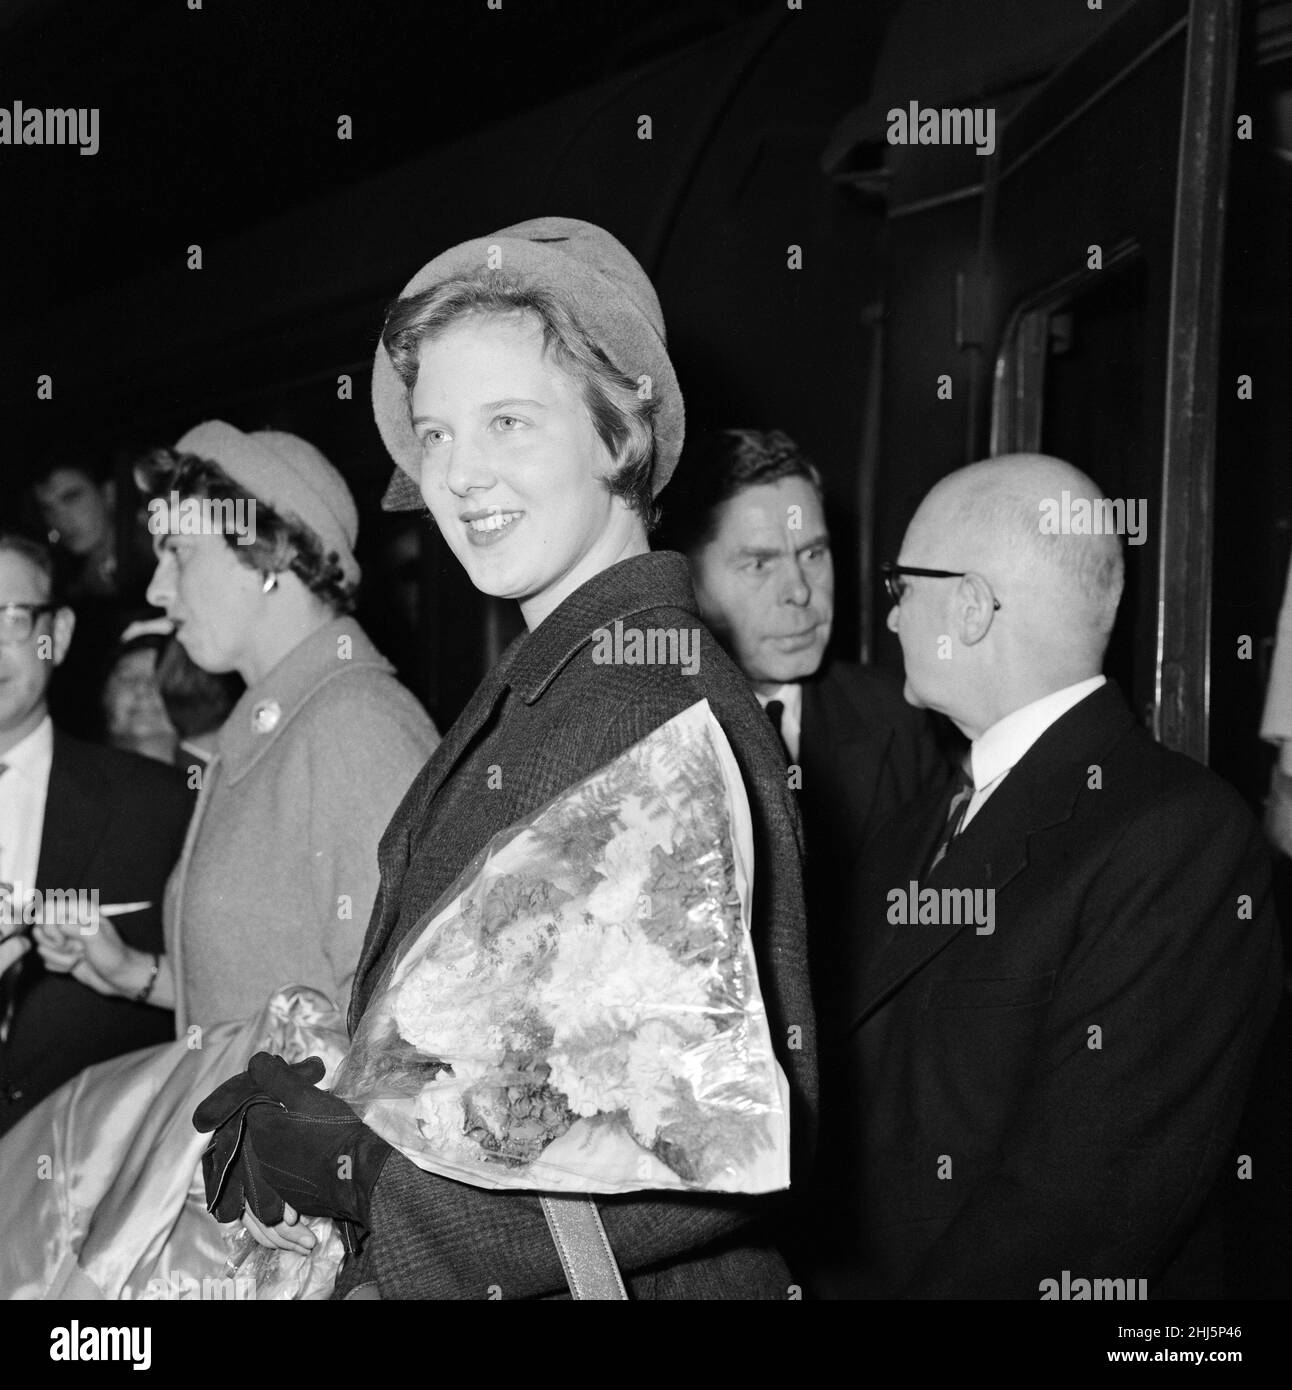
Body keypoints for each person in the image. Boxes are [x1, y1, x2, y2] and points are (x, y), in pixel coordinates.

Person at [215, 217, 816, 1300]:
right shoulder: (561, 680)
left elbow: (693, 1146)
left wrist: (361, 1192)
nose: (459, 474)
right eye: (436, 433)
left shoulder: (635, 707)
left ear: (616, 431)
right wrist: (339, 1100)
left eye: (506, 422)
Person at [818, 453, 1282, 1298]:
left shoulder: (1181, 839)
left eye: (900, 588)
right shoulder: (921, 816)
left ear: (969, 604)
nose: (889, 622)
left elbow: (1081, 1213)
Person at [0, 425, 439, 1298]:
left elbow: (405, 1052)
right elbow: (276, 981)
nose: (158, 588)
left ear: (266, 550)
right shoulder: (271, 730)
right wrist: (137, 977)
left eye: (178, 554)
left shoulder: (353, 726)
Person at [661, 427, 946, 1025]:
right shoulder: (650, 729)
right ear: (689, 580)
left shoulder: (903, 717)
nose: (799, 592)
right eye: (759, 563)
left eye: (813, 553)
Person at [0, 535, 192, 1134]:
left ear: (56, 630)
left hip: (91, 1186)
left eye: (9, 617)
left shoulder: (157, 807)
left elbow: (237, 996)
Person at [101, 617, 181, 764]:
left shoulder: (207, 779)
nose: (142, 689)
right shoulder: (75, 777)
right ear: (106, 696)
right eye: (128, 679)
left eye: (158, 679)